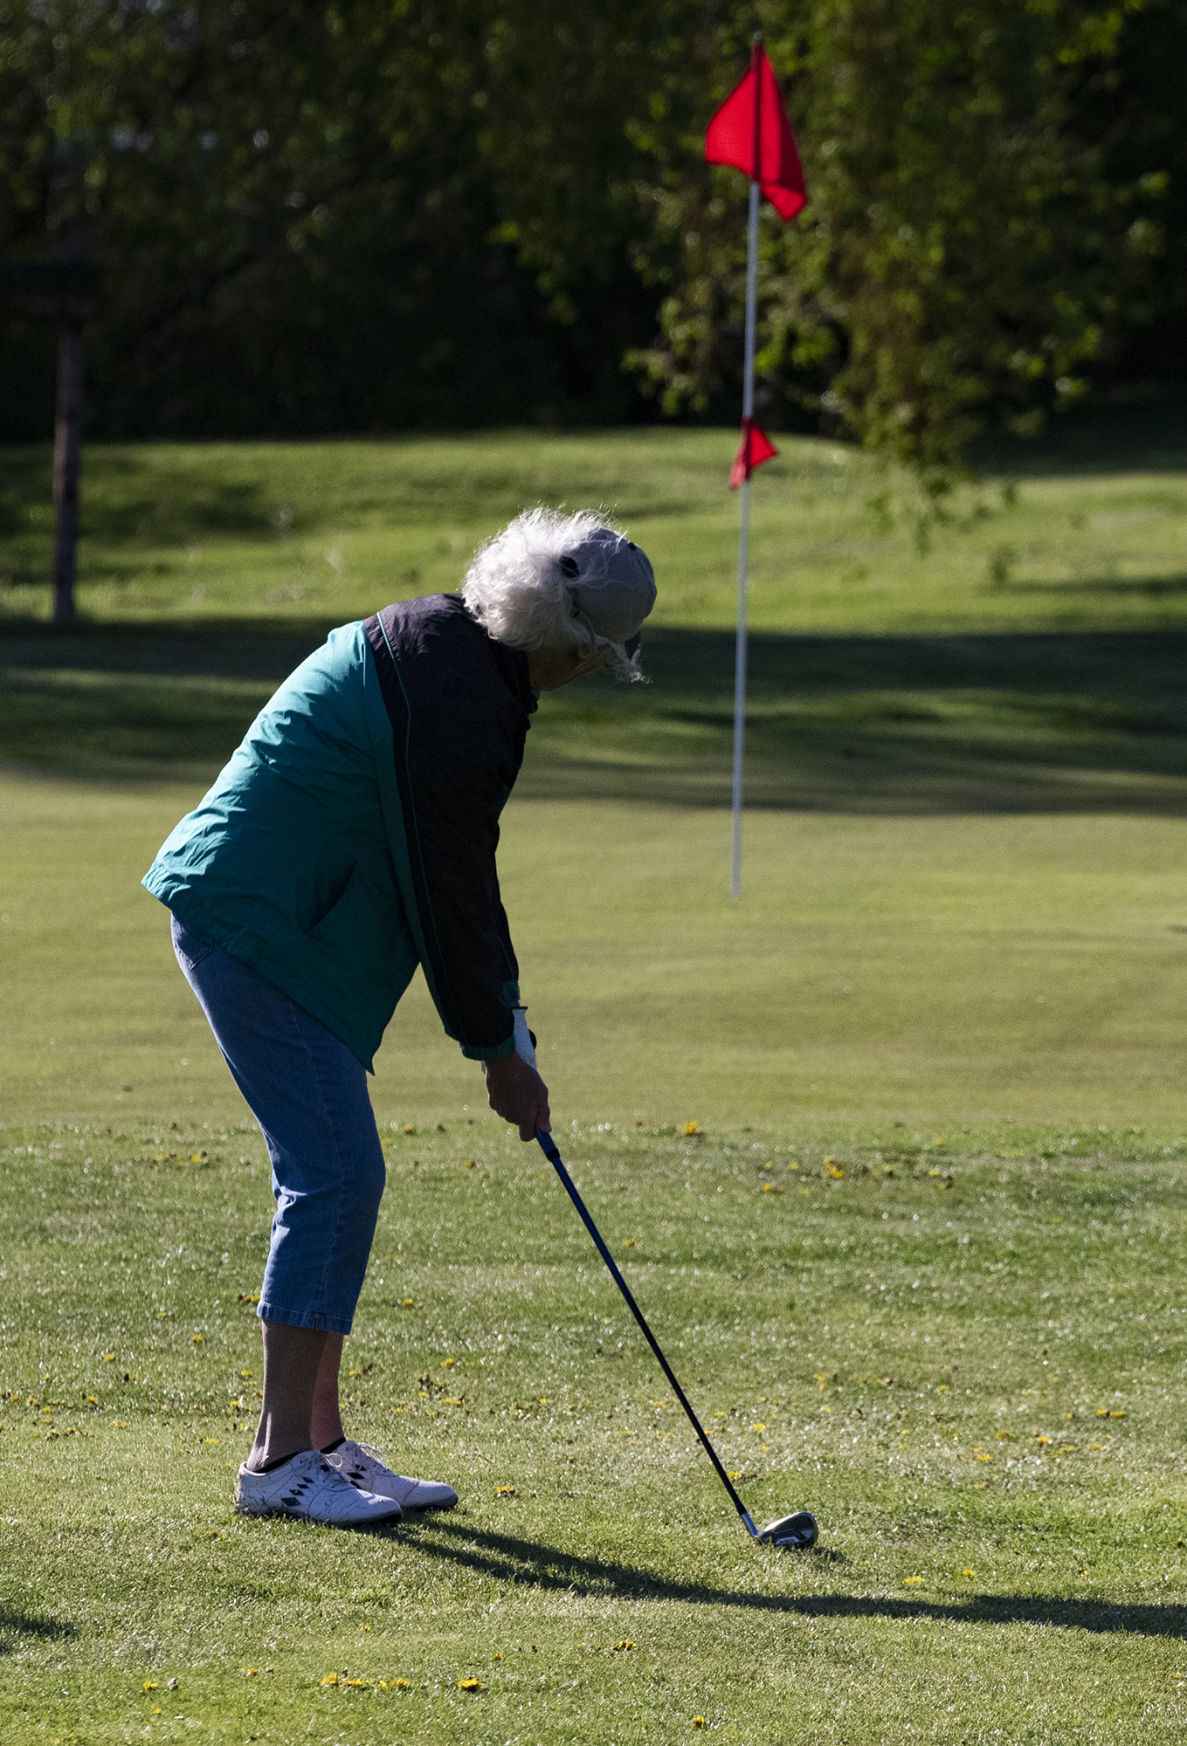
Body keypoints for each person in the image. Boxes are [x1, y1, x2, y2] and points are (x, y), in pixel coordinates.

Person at [142, 507, 656, 1528]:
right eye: (599, 657)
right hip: (258, 923)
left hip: (284, 921)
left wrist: (502, 1027)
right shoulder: (458, 695)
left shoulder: (452, 646)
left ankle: (320, 1443)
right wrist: (496, 1054)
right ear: (567, 643)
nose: (593, 673)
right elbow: (450, 886)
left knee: (339, 1174)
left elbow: (458, 879)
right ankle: (278, 1457)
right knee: (333, 1173)